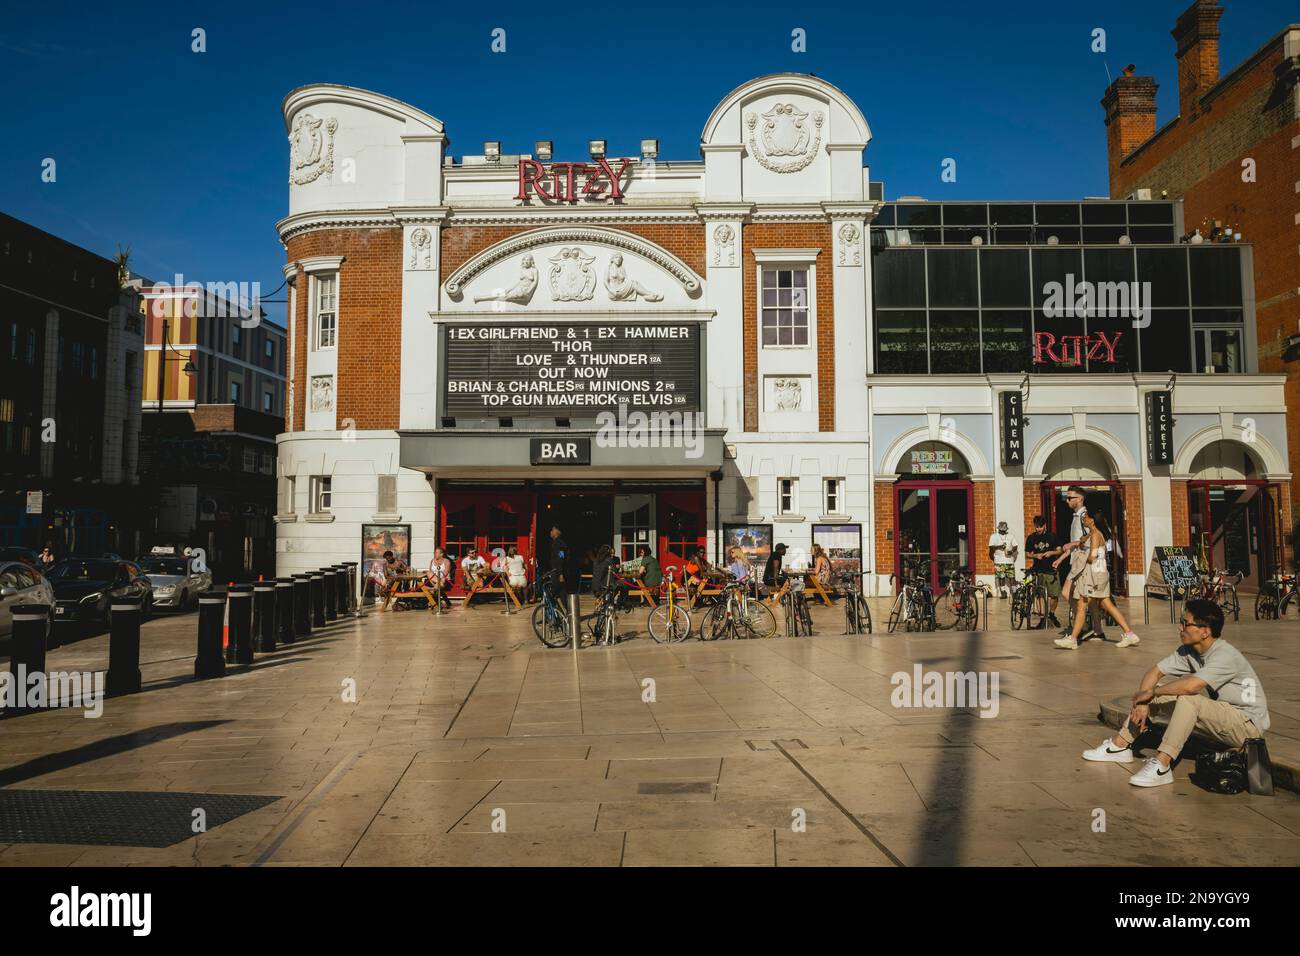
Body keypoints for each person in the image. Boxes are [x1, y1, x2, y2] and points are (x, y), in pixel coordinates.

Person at [1081, 599, 1269, 788]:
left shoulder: (1225, 655)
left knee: (1188, 700)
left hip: (1248, 729)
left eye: (1186, 624)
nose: (1180, 627)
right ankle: (1119, 746)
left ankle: (1162, 766)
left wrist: (1151, 692)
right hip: (1224, 717)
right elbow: (1154, 672)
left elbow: (1191, 687)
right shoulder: (1189, 651)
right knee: (1159, 693)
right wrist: (1144, 701)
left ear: (1205, 631)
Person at [1055, 511, 1139, 649]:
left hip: (1094, 576)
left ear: (1092, 520)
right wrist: (1082, 541)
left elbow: (1092, 556)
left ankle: (1073, 639)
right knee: (1107, 605)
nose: (1083, 520)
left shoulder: (1095, 535)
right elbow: (1083, 539)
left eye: (1086, 517)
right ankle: (1129, 634)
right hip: (1100, 574)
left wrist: (1082, 557)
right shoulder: (1094, 533)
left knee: (1082, 605)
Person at [1054, 486, 1107, 641]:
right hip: (1077, 560)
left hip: (1082, 562)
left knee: (1068, 593)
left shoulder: (1084, 516)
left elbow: (1092, 536)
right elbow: (1076, 543)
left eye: (1071, 498)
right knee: (1089, 599)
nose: (1067, 501)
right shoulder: (1076, 516)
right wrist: (1061, 558)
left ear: (1080, 499)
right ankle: (1097, 630)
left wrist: (1072, 544)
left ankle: (1082, 626)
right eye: (1067, 497)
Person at [1024, 515, 1063, 627]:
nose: (1038, 529)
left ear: (1045, 525)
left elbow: (1060, 550)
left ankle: (1051, 614)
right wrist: (1035, 555)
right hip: (1038, 570)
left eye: (1040, 527)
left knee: (1054, 595)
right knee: (1039, 594)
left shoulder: (1052, 536)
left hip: (1051, 570)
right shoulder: (1031, 538)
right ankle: (1042, 618)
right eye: (1036, 527)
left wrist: (1051, 553)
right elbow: (1027, 554)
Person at [988, 520, 1019, 599]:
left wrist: (1011, 551)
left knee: (1012, 577)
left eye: (1004, 530)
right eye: (1001, 530)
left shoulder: (1011, 536)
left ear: (1006, 529)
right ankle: (1003, 593)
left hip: (1009, 560)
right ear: (998, 529)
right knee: (1001, 577)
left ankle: (1015, 592)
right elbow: (991, 547)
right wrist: (999, 547)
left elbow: (1015, 545)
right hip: (999, 560)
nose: (1002, 531)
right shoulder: (994, 536)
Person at [548, 525, 570, 594]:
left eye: (552, 530)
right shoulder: (555, 543)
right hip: (557, 571)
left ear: (556, 532)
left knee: (556, 591)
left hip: (558, 572)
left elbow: (561, 558)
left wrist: (560, 574)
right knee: (561, 591)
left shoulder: (559, 544)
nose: (550, 532)